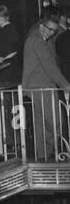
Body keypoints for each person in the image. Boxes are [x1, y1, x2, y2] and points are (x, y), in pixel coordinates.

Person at [21, 10, 68, 161]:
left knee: (41, 124)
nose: (51, 33)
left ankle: (43, 155)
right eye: (49, 29)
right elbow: (50, 67)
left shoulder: (35, 38)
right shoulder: (38, 41)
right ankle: (51, 153)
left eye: (54, 31)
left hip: (35, 87)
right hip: (42, 87)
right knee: (55, 121)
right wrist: (66, 85)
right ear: (41, 26)